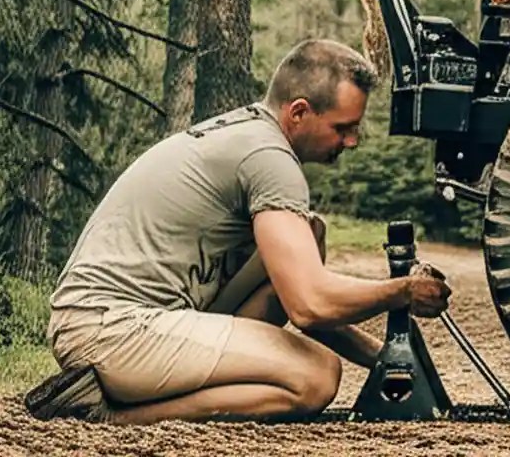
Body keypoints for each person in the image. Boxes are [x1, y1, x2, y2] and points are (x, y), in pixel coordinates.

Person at [24, 39, 451, 425]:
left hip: (121, 322)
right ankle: (105, 415)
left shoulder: (250, 135)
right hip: (111, 329)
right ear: (299, 112)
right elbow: (310, 306)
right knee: (315, 377)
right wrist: (402, 291)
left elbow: (295, 295)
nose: (352, 141)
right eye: (343, 127)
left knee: (310, 233)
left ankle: (116, 399)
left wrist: (385, 359)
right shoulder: (269, 158)